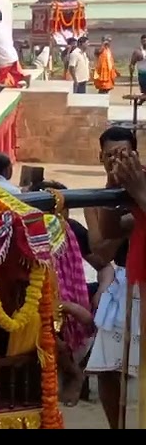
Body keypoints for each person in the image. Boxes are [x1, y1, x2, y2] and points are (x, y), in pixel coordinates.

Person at [89, 127, 144, 427]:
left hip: (142, 281)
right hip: (122, 280)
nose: (116, 161)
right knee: (107, 368)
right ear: (100, 158)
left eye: (123, 154)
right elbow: (100, 253)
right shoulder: (98, 197)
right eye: (110, 156)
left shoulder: (142, 184)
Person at [0, 7, 27, 88]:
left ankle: (3, 82)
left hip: (3, 59)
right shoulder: (5, 26)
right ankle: (23, 79)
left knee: (1, 82)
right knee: (15, 76)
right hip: (13, 56)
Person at [131, 34, 146, 101]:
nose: (145, 42)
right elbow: (132, 63)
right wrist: (131, 69)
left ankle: (143, 99)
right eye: (143, 41)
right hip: (142, 74)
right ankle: (142, 99)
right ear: (141, 41)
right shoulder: (137, 52)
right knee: (144, 90)